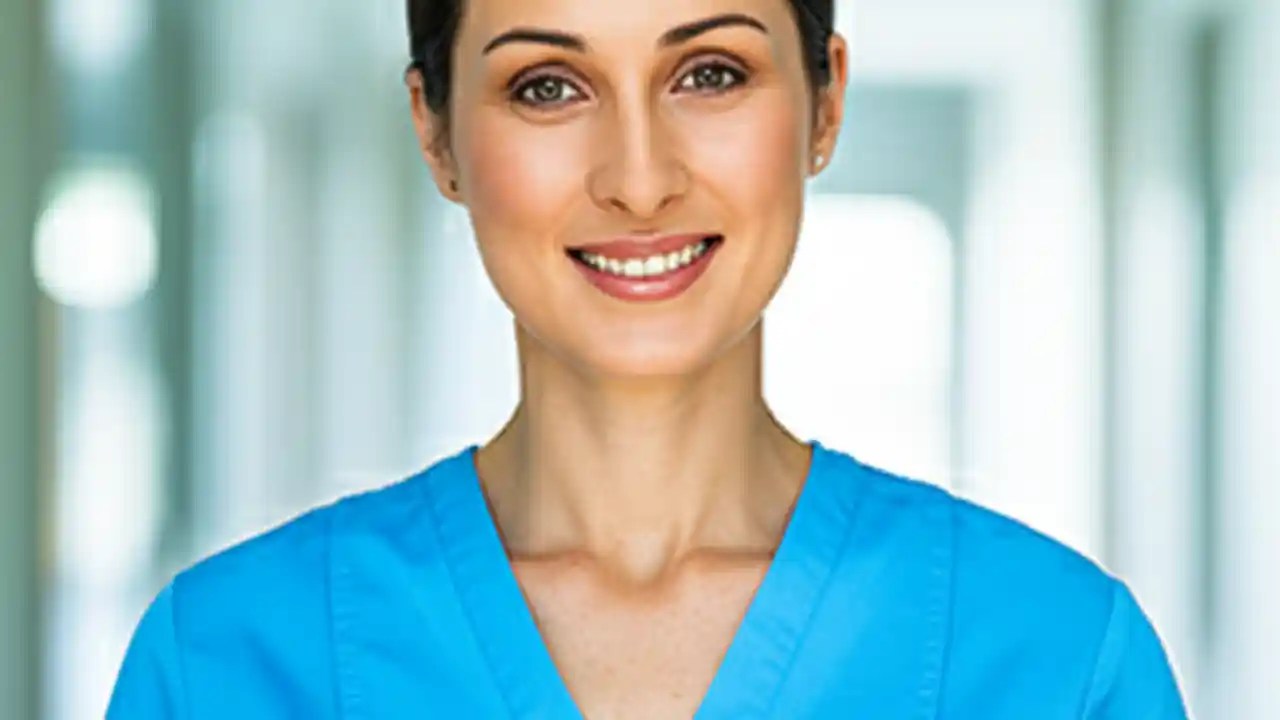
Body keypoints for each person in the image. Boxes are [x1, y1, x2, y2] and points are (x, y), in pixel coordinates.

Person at [108, 0, 1188, 717]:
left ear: (825, 103)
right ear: (435, 132)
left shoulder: (1051, 659)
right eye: (546, 86)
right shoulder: (224, 663)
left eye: (708, 73)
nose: (636, 177)